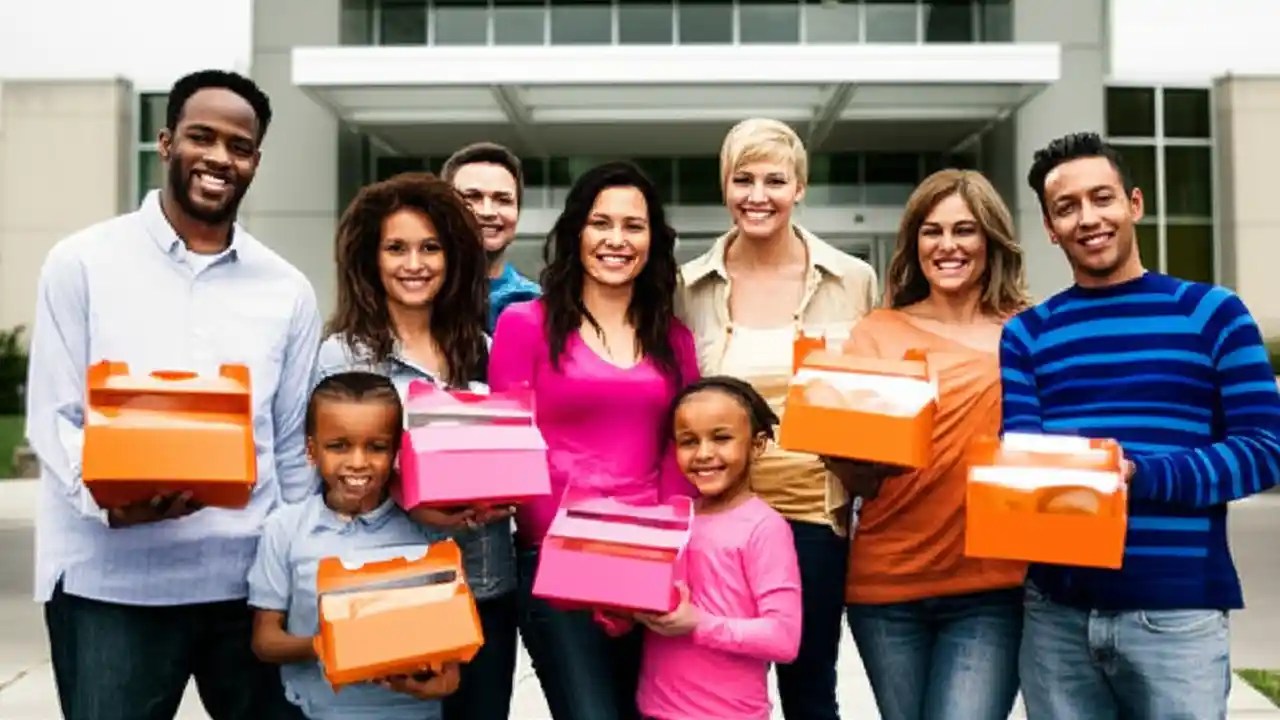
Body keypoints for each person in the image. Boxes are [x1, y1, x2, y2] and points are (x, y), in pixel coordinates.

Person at [25, 69, 321, 720]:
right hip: (111, 585)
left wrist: (303, 570)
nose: (219, 157)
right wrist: (110, 502)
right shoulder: (82, 263)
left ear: (255, 161)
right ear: (165, 142)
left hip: (248, 586)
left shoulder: (287, 289)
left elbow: (295, 452)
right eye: (201, 137)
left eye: (238, 146)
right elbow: (53, 417)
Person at [1004, 131, 1280, 719]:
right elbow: (1024, 459)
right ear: (1051, 229)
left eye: (1101, 198)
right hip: (1056, 613)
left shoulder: (1213, 313)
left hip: (1176, 612)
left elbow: (1264, 450)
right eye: (1066, 207)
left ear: (1134, 203)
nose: (1087, 218)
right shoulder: (1027, 334)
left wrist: (1138, 474)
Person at [676, 117, 876, 720]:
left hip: (814, 516)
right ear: (724, 186)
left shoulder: (853, 281)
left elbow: (871, 398)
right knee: (710, 679)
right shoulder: (687, 287)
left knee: (808, 683)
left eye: (774, 180)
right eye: (742, 179)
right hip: (716, 517)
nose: (757, 195)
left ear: (800, 188)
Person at [488, 160, 701, 720]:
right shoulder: (523, 324)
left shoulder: (673, 338)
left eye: (634, 225)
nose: (616, 239)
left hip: (653, 562)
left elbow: (681, 450)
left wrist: (657, 553)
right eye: (600, 222)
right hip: (558, 563)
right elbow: (512, 446)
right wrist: (583, 556)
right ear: (576, 231)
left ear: (653, 239)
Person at [317, 172, 518, 720]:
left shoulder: (482, 350)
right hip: (391, 588)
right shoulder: (342, 357)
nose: (415, 264)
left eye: (430, 247)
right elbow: (325, 480)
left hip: (483, 585)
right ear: (369, 258)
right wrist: (408, 493)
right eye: (396, 248)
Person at [832, 169, 1030, 720]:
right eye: (931, 231)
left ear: (990, 240)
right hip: (885, 585)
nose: (947, 246)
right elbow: (860, 479)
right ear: (913, 243)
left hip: (992, 584)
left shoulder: (1025, 332)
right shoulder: (875, 331)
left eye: (964, 230)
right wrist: (841, 450)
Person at [248, 371, 461, 720]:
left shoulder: (424, 529)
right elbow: (265, 640)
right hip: (314, 711)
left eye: (376, 447)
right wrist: (336, 643)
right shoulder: (284, 529)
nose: (358, 462)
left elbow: (450, 657)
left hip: (409, 712)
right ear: (312, 449)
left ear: (396, 451)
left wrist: (444, 682)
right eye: (339, 446)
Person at [627, 376, 802, 720]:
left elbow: (783, 637)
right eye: (689, 441)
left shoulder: (765, 528)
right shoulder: (673, 519)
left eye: (721, 438)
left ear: (758, 445)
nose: (704, 453)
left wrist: (698, 624)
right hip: (655, 711)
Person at [441, 142, 541, 332]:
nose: (488, 212)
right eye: (472, 197)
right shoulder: (417, 298)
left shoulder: (540, 306)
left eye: (503, 200)